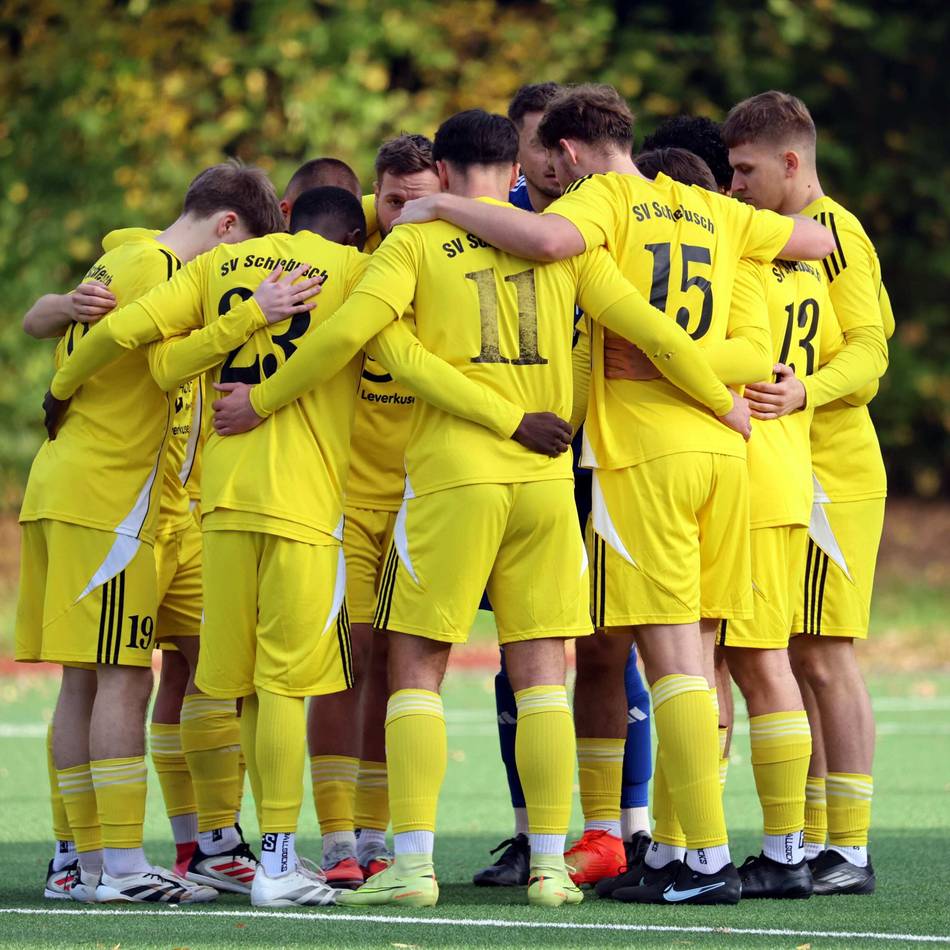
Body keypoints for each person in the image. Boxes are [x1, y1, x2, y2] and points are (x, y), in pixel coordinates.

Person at [210, 109, 752, 909]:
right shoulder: (564, 242)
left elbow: (343, 339)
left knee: (416, 670)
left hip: (453, 480)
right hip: (542, 482)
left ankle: (414, 867)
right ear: (513, 166)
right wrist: (721, 402)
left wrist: (261, 400)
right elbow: (650, 329)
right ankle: (546, 869)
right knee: (540, 676)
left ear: (447, 169)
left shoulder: (416, 242)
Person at [43, 182, 573, 906]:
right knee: (285, 688)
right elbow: (400, 358)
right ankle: (276, 865)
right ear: (354, 236)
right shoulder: (356, 274)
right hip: (305, 507)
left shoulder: (218, 267)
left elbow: (154, 359)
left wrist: (66, 383)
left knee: (224, 685)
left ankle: (206, 845)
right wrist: (512, 418)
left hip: (221, 505)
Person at [393, 83, 837, 905]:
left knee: (671, 663)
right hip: (725, 456)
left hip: (645, 456)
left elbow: (551, 240)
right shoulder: (709, 208)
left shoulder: (604, 200)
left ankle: (700, 862)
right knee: (701, 657)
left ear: (565, 154)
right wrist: (710, 377)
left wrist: (441, 211)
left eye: (538, 164)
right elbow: (812, 239)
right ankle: (674, 850)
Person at [15, 162, 283, 904]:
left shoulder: (129, 256)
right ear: (226, 226)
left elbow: (50, 318)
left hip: (121, 498)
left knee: (115, 673)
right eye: (240, 252)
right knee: (118, 677)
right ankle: (116, 868)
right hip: (109, 497)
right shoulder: (156, 266)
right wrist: (250, 312)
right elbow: (156, 359)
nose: (234, 273)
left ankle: (88, 862)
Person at [723, 90, 893, 895]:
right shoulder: (767, 239)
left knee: (825, 656)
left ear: (792, 162)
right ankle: (818, 841)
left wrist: (807, 393)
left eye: (747, 169)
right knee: (791, 656)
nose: (737, 184)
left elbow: (871, 354)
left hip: (834, 475)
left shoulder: (837, 235)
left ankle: (849, 851)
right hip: (789, 473)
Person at [306, 137, 441, 889]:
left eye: (421, 200)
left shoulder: (458, 243)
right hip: (346, 496)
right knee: (344, 660)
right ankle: (335, 838)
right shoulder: (347, 242)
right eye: (394, 201)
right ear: (374, 200)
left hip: (425, 494)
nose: (407, 214)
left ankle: (377, 831)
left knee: (401, 664)